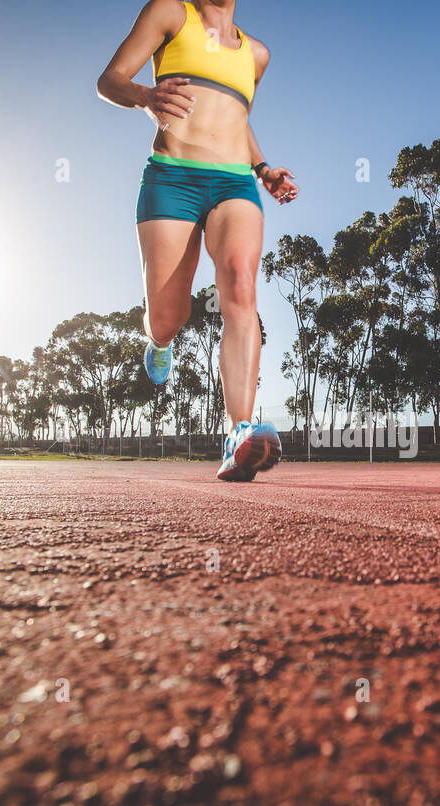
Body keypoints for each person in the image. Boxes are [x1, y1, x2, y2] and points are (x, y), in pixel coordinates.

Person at [97, 0, 297, 480]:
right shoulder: (169, 13)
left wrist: (262, 168)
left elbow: (236, 116)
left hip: (234, 184)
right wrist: (145, 95)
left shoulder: (257, 54)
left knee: (240, 288)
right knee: (169, 316)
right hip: (172, 178)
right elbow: (110, 80)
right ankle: (159, 340)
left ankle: (238, 434)